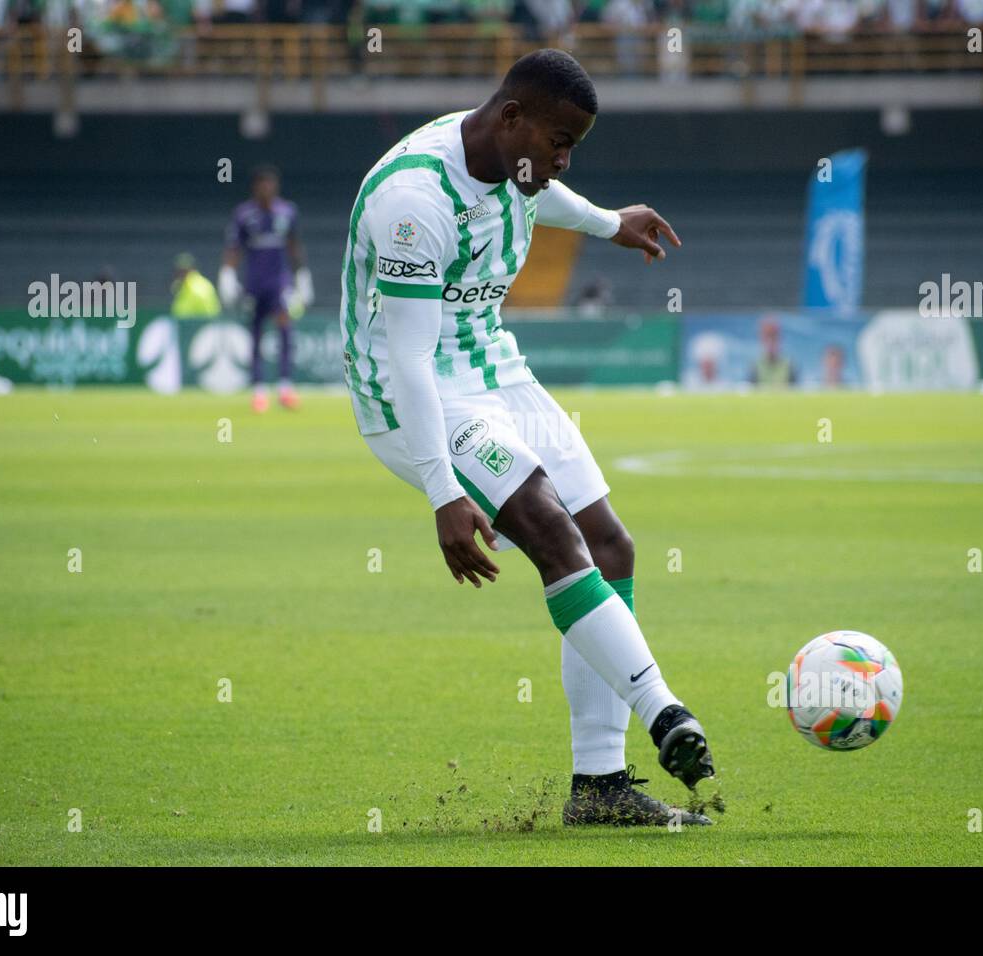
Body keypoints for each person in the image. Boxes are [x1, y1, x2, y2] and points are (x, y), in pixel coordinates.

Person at [338, 49, 716, 827]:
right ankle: (665, 710)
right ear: (512, 119)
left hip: (491, 363)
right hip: (415, 392)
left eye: (573, 145)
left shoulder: (514, 159)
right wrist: (442, 490)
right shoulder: (415, 201)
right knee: (551, 527)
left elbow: (541, 195)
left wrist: (611, 223)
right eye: (559, 141)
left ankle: (601, 789)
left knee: (610, 547)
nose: (562, 158)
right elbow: (408, 357)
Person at [220, 165, 313, 412]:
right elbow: (233, 248)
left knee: (285, 329)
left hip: (279, 282)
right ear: (255, 187)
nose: (266, 188)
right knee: (256, 334)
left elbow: (294, 246)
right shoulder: (243, 215)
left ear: (276, 186)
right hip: (254, 283)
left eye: (270, 184)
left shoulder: (287, 212)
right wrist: (227, 274)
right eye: (262, 184)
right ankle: (259, 391)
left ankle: (285, 387)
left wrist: (302, 277)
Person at [170, 253, 222, 319]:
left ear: (191, 269)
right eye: (179, 271)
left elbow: (210, 315)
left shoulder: (200, 287)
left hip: (199, 327)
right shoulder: (180, 286)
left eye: (184, 271)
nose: (181, 274)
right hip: (182, 326)